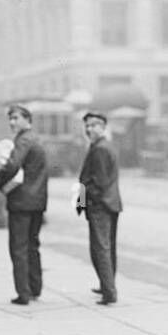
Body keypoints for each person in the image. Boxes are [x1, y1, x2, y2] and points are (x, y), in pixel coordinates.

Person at [0, 104, 49, 305]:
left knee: (18, 247)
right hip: (37, 202)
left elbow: (12, 165)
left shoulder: (23, 140)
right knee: (33, 245)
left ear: (28, 120)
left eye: (16, 118)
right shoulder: (37, 139)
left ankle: (23, 293)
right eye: (10, 118)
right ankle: (35, 287)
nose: (12, 122)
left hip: (21, 202)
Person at [76, 111, 122, 305]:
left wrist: (86, 201)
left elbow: (98, 182)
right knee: (106, 247)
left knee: (100, 249)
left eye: (94, 125)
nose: (89, 129)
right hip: (110, 203)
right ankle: (106, 285)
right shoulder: (102, 146)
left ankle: (109, 291)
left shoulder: (100, 149)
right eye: (87, 125)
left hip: (100, 205)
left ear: (103, 128)